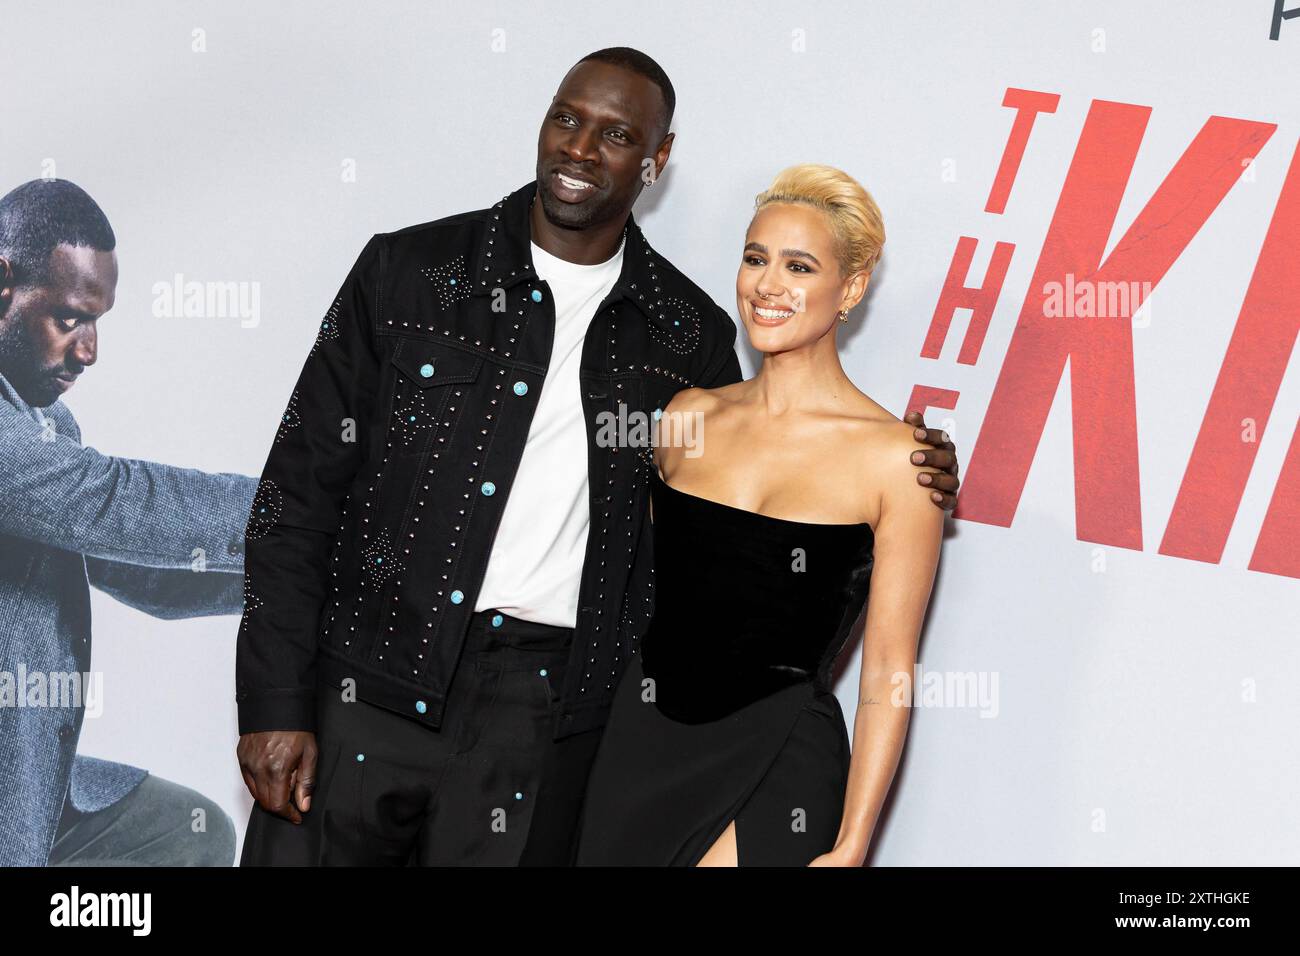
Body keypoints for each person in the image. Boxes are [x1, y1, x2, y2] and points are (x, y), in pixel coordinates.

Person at [236, 50, 959, 866]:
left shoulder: (686, 337)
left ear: (657, 160)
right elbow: (293, 496)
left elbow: (752, 507)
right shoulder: (408, 275)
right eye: (566, 118)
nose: (580, 149)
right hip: (364, 686)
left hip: (541, 722)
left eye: (616, 134)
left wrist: (912, 467)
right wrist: (273, 698)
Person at [575, 164, 945, 867]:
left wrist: (855, 841)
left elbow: (889, 669)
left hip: (780, 760)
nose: (768, 285)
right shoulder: (688, 419)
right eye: (755, 258)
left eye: (799, 266)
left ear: (853, 288)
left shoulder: (899, 462)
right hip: (641, 742)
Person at [0, 178, 247, 866]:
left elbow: (131, 561)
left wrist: (308, 568)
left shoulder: (39, 417)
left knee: (185, 833)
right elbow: (112, 502)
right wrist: (312, 509)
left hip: (29, 788)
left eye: (98, 322)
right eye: (70, 319)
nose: (89, 352)